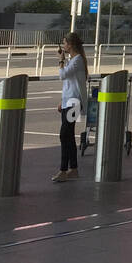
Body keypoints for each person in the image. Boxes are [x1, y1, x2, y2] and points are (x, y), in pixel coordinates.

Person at [53, 32, 89, 182]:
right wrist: (62, 102)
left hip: (74, 102)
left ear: (71, 45)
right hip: (68, 102)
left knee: (64, 134)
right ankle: (73, 169)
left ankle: (63, 170)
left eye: (65, 43)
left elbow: (62, 75)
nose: (64, 46)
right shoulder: (73, 60)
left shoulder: (77, 60)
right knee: (68, 135)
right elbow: (68, 84)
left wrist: (61, 61)